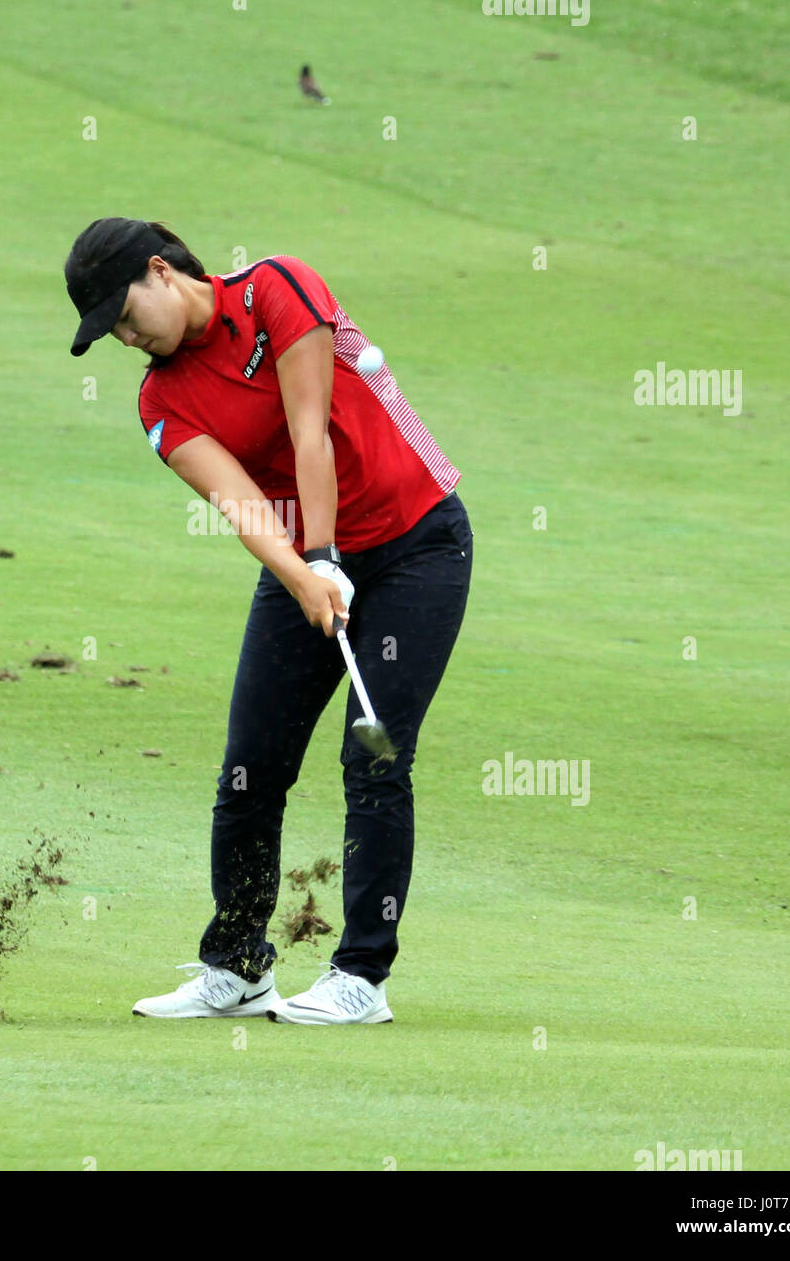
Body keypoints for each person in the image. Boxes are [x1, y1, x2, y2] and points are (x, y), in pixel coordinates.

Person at [64, 217, 472, 1024]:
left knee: (375, 756)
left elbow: (308, 428)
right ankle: (238, 966)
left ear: (161, 271)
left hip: (414, 545)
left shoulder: (276, 287)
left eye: (124, 312)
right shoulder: (160, 399)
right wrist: (301, 572)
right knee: (250, 768)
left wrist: (324, 555)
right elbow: (241, 504)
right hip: (299, 565)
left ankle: (360, 977)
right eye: (108, 329)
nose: (125, 335)